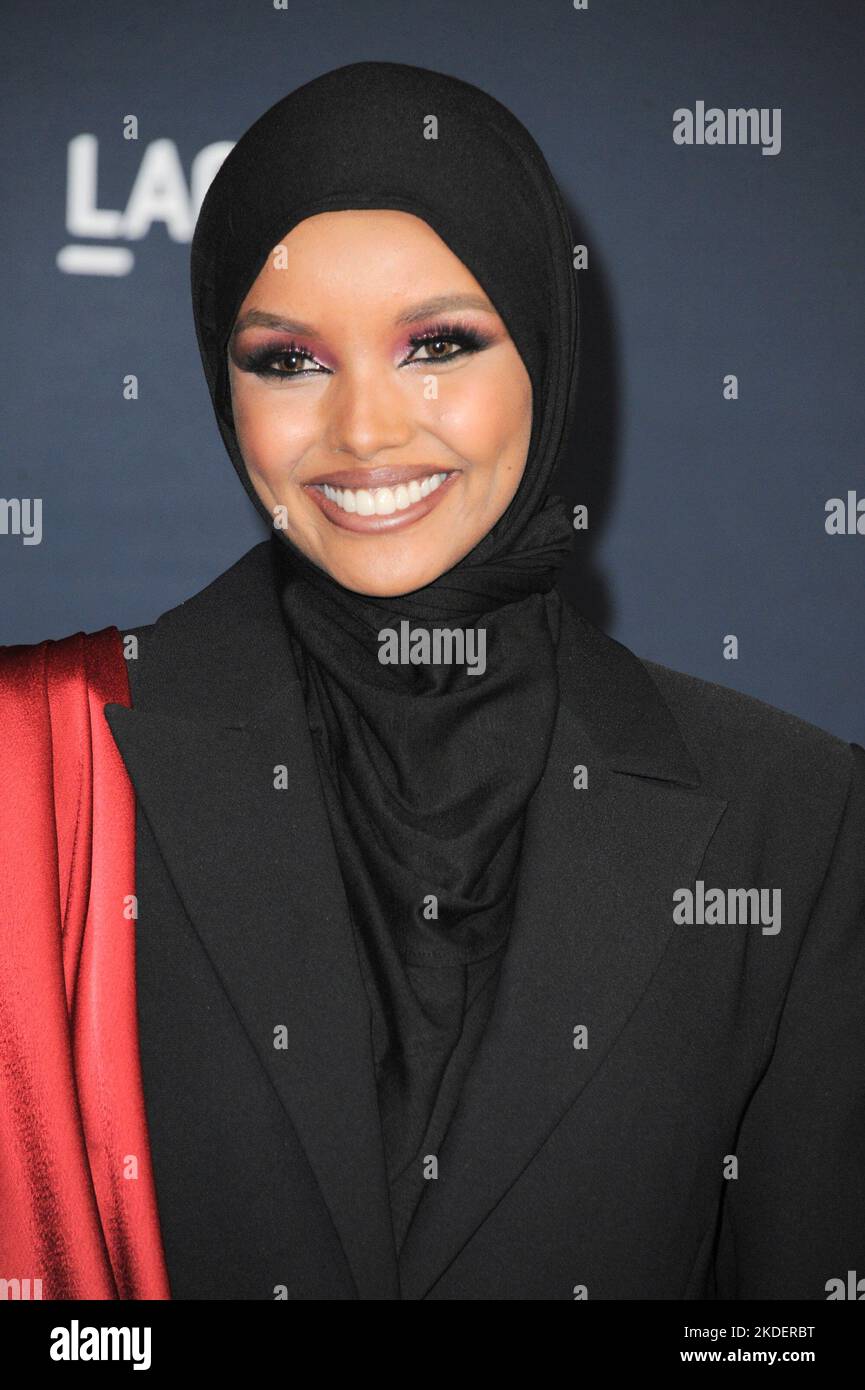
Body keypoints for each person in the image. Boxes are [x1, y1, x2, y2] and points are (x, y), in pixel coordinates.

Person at [1, 60, 863, 1303]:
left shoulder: (793, 810)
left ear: (544, 355)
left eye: (438, 344)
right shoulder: (52, 769)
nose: (362, 430)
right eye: (287, 362)